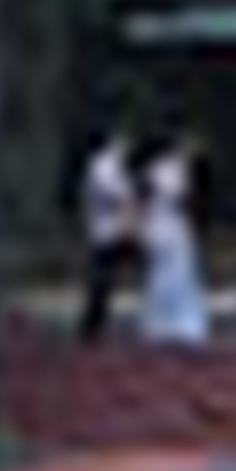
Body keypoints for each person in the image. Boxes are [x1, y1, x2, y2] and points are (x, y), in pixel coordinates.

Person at [136, 139, 209, 349]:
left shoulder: (175, 170)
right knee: (167, 275)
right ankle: (167, 324)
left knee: (178, 274)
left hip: (171, 226)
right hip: (165, 226)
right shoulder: (166, 169)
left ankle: (175, 324)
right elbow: (173, 196)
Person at [72, 131, 141, 342]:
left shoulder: (116, 167)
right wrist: (128, 206)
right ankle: (91, 327)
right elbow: (112, 195)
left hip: (115, 228)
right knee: (101, 278)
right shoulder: (103, 165)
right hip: (107, 230)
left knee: (107, 278)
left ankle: (97, 324)